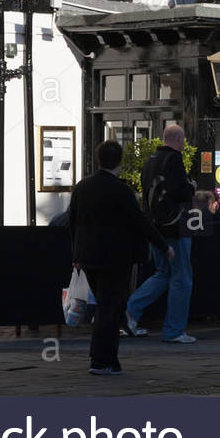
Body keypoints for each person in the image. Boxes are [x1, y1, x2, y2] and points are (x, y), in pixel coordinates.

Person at [68, 139, 170, 376]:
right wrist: (163, 245)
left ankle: (105, 358)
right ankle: (102, 359)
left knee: (106, 306)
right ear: (120, 161)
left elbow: (73, 222)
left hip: (88, 256)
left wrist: (75, 253)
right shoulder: (121, 190)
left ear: (98, 159)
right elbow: (140, 220)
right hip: (115, 257)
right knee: (109, 307)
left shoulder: (82, 187)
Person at [125, 124, 199, 343]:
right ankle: (174, 330)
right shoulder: (174, 160)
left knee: (163, 273)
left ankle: (130, 311)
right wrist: (192, 186)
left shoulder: (151, 161)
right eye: (183, 140)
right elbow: (178, 191)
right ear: (178, 140)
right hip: (175, 227)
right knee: (182, 278)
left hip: (154, 228)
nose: (183, 144)